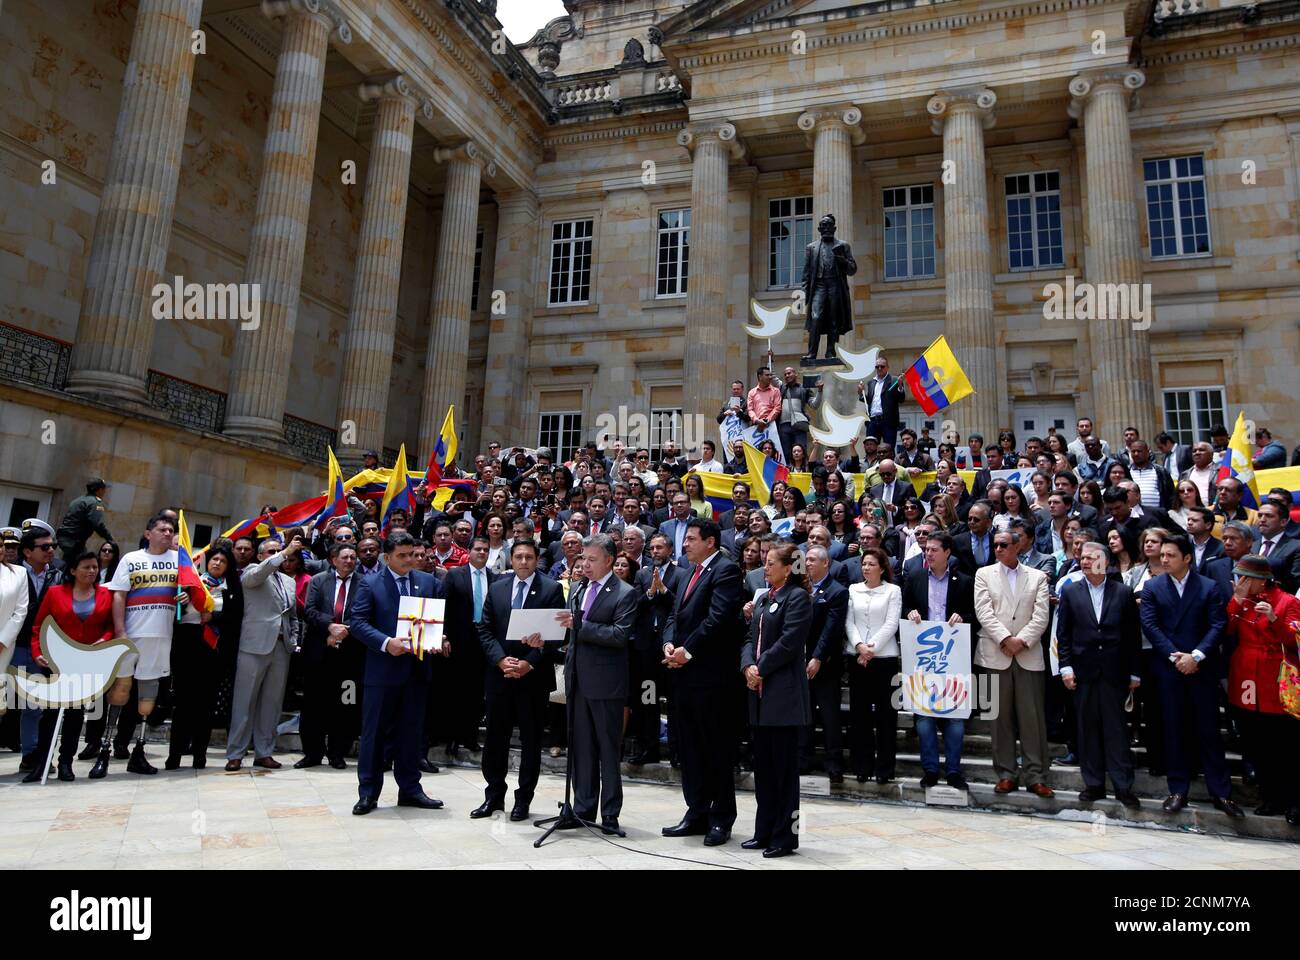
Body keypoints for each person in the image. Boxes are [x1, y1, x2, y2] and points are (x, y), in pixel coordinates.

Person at [1139, 535, 1242, 817]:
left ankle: (1221, 792)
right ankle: (1178, 790)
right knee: (1174, 730)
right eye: (1162, 555)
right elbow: (1150, 625)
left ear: (1187, 558)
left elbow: (1218, 623)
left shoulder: (1207, 587)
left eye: (1170, 555)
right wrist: (1175, 656)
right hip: (1169, 667)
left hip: (1201, 667)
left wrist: (1196, 655)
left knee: (1208, 731)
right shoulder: (1152, 587)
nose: (1164, 560)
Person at [347, 530, 446, 815]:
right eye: (401, 556)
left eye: (411, 554)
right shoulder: (370, 583)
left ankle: (411, 789)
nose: (407, 561)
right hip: (382, 671)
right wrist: (385, 642)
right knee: (374, 734)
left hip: (416, 670)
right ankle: (368, 792)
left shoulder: (427, 581)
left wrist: (436, 639)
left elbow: (434, 621)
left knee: (411, 733)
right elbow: (358, 621)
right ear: (387, 557)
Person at [661, 517, 744, 846]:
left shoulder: (726, 570)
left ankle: (721, 817)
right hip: (682, 674)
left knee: (715, 748)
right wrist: (668, 644)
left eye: (692, 539)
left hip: (711, 676)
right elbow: (673, 615)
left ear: (710, 541)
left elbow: (718, 619)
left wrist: (688, 651)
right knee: (689, 747)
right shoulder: (685, 573)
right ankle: (696, 810)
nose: (685, 544)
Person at [473, 539, 565, 822]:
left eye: (529, 557)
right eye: (518, 557)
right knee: (495, 740)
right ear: (510, 560)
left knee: (531, 741)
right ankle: (493, 796)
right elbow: (485, 629)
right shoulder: (498, 587)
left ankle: (523, 799)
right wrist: (501, 660)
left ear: (537, 559)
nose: (523, 561)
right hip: (500, 676)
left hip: (532, 679)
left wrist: (529, 662)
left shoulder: (551, 589)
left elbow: (558, 634)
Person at [554, 534, 638, 832]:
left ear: (609, 560)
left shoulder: (625, 593)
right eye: (583, 559)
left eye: (591, 560)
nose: (585, 565)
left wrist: (582, 625)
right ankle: (583, 808)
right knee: (581, 748)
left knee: (607, 749)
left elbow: (618, 635)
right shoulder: (576, 589)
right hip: (576, 679)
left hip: (606, 683)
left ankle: (610, 813)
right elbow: (568, 633)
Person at [1056, 541, 1142, 808]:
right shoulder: (1071, 591)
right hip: (1083, 671)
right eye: (1082, 557)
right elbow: (1064, 634)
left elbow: (1132, 637)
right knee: (1087, 728)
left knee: (1116, 730)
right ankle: (1093, 783)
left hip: (1114, 671)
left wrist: (1135, 672)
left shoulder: (1123, 592)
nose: (1084, 561)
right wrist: (1066, 668)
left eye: (1091, 557)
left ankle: (1123, 785)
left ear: (1105, 562)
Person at [740, 542, 811, 858]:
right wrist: (746, 666)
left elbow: (789, 643)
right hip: (758, 695)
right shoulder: (762, 599)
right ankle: (764, 830)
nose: (764, 568)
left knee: (784, 773)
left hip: (782, 695)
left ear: (788, 567)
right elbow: (747, 639)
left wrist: (760, 667)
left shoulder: (797, 598)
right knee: (764, 769)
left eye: (770, 563)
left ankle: (786, 836)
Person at [974, 528, 1053, 797]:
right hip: (995, 653)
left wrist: (1021, 641)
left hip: (1028, 654)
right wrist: (1006, 638)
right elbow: (983, 611)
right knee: (998, 719)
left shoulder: (1038, 577)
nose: (998, 549)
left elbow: (1041, 615)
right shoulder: (983, 574)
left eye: (1004, 545)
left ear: (1017, 547)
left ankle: (1036, 774)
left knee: (1032, 719)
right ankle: (1005, 773)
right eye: (995, 545)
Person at [22, 551, 113, 783]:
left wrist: (103, 641)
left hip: (85, 663)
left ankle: (66, 763)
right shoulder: (55, 593)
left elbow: (110, 627)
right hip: (55, 663)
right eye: (86, 567)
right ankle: (42, 763)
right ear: (73, 570)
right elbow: (38, 627)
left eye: (94, 567)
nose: (92, 571)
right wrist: (38, 653)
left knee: (74, 715)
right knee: (50, 715)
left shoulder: (105, 594)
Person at [101, 512, 178, 777]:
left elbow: (191, 591)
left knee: (148, 696)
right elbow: (119, 596)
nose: (168, 533)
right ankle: (105, 749)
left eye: (171, 530)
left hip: (161, 637)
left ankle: (139, 751)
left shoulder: (180, 560)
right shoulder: (131, 559)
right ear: (148, 534)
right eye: (162, 529)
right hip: (132, 635)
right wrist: (120, 631)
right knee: (120, 693)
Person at [1225, 554, 1300, 822]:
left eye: (1247, 578)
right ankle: (1270, 797)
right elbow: (1228, 629)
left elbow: (1295, 639)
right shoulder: (1242, 601)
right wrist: (1236, 600)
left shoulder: (1287, 601)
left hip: (1275, 676)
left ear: (1262, 579)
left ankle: (1294, 802)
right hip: (1246, 675)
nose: (1242, 582)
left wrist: (1273, 618)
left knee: (1284, 744)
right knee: (1255, 742)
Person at [901, 531, 976, 788]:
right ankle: (930, 769)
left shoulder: (964, 581)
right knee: (924, 717)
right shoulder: (915, 577)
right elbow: (904, 607)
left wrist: (962, 617)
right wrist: (909, 613)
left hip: (954, 657)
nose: (928, 553)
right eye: (926, 549)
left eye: (934, 549)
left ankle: (953, 771)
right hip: (923, 658)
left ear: (947, 553)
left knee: (955, 717)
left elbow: (974, 616)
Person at [225, 535, 302, 772]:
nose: (279, 555)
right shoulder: (251, 572)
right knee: (244, 700)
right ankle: (236, 752)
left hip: (281, 647)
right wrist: (284, 552)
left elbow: (292, 614)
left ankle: (264, 752)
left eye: (279, 551)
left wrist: (294, 638)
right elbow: (257, 576)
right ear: (260, 556)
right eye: (271, 552)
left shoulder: (289, 582)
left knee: (272, 702)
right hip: (254, 645)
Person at [297, 543, 363, 770]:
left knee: (346, 704)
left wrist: (343, 631)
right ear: (334, 559)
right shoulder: (318, 581)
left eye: (353, 558)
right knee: (313, 704)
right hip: (318, 653)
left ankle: (338, 753)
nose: (349, 561)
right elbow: (309, 611)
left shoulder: (364, 583)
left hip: (351, 658)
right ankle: (312, 753)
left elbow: (365, 615)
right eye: (345, 557)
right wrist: (330, 627)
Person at [844, 546, 902, 785]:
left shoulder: (893, 590)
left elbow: (891, 623)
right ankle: (862, 765)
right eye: (864, 564)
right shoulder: (853, 589)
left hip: (885, 658)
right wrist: (859, 646)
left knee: (886, 717)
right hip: (856, 658)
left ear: (882, 567)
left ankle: (885, 769)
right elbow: (849, 621)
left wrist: (871, 649)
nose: (866, 568)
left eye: (871, 564)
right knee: (860, 715)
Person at [10, 521, 61, 770]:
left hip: (41, 648)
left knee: (33, 703)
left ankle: (31, 756)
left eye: (53, 546)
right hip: (10, 645)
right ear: (28, 552)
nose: (50, 551)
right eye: (44, 547)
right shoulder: (10, 572)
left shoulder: (59, 574)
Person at [796, 545, 848, 781]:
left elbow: (831, 630)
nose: (808, 564)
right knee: (804, 715)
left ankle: (834, 763)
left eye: (813, 560)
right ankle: (803, 759)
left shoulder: (837, 591)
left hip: (825, 663)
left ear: (826, 563)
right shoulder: (800, 589)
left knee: (829, 716)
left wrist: (817, 657)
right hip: (800, 662)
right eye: (806, 560)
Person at [441, 538, 495, 759]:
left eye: (485, 549)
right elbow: (443, 606)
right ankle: (452, 739)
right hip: (459, 640)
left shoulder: (494, 578)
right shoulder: (455, 575)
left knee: (477, 692)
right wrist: (443, 636)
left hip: (485, 641)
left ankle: (471, 737)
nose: (481, 552)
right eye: (478, 549)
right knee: (455, 690)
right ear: (469, 552)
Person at [55, 478, 113, 565]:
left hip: (66, 539)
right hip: (75, 542)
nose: (105, 492)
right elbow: (98, 524)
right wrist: (110, 539)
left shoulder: (78, 500)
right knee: (82, 565)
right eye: (104, 489)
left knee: (68, 564)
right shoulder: (94, 503)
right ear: (100, 490)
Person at [856, 354, 906, 449]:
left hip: (888, 421)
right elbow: (869, 400)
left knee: (889, 448)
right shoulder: (871, 383)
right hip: (873, 421)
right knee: (870, 449)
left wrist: (900, 387)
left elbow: (901, 399)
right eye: (877, 367)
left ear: (887, 367)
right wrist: (860, 393)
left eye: (882, 366)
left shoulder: (894, 380)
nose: (879, 368)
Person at [1256, 501, 1300, 592]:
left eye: (1269, 516)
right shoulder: (1251, 545)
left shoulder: (1296, 546)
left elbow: (1296, 583)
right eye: (1260, 515)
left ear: (1283, 522)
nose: (1262, 519)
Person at [747, 366, 782, 436]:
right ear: (760, 377)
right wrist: (757, 420)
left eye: (770, 375)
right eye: (767, 375)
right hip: (756, 426)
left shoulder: (776, 391)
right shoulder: (752, 392)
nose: (770, 377)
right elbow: (750, 409)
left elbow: (777, 408)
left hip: (772, 426)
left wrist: (767, 421)